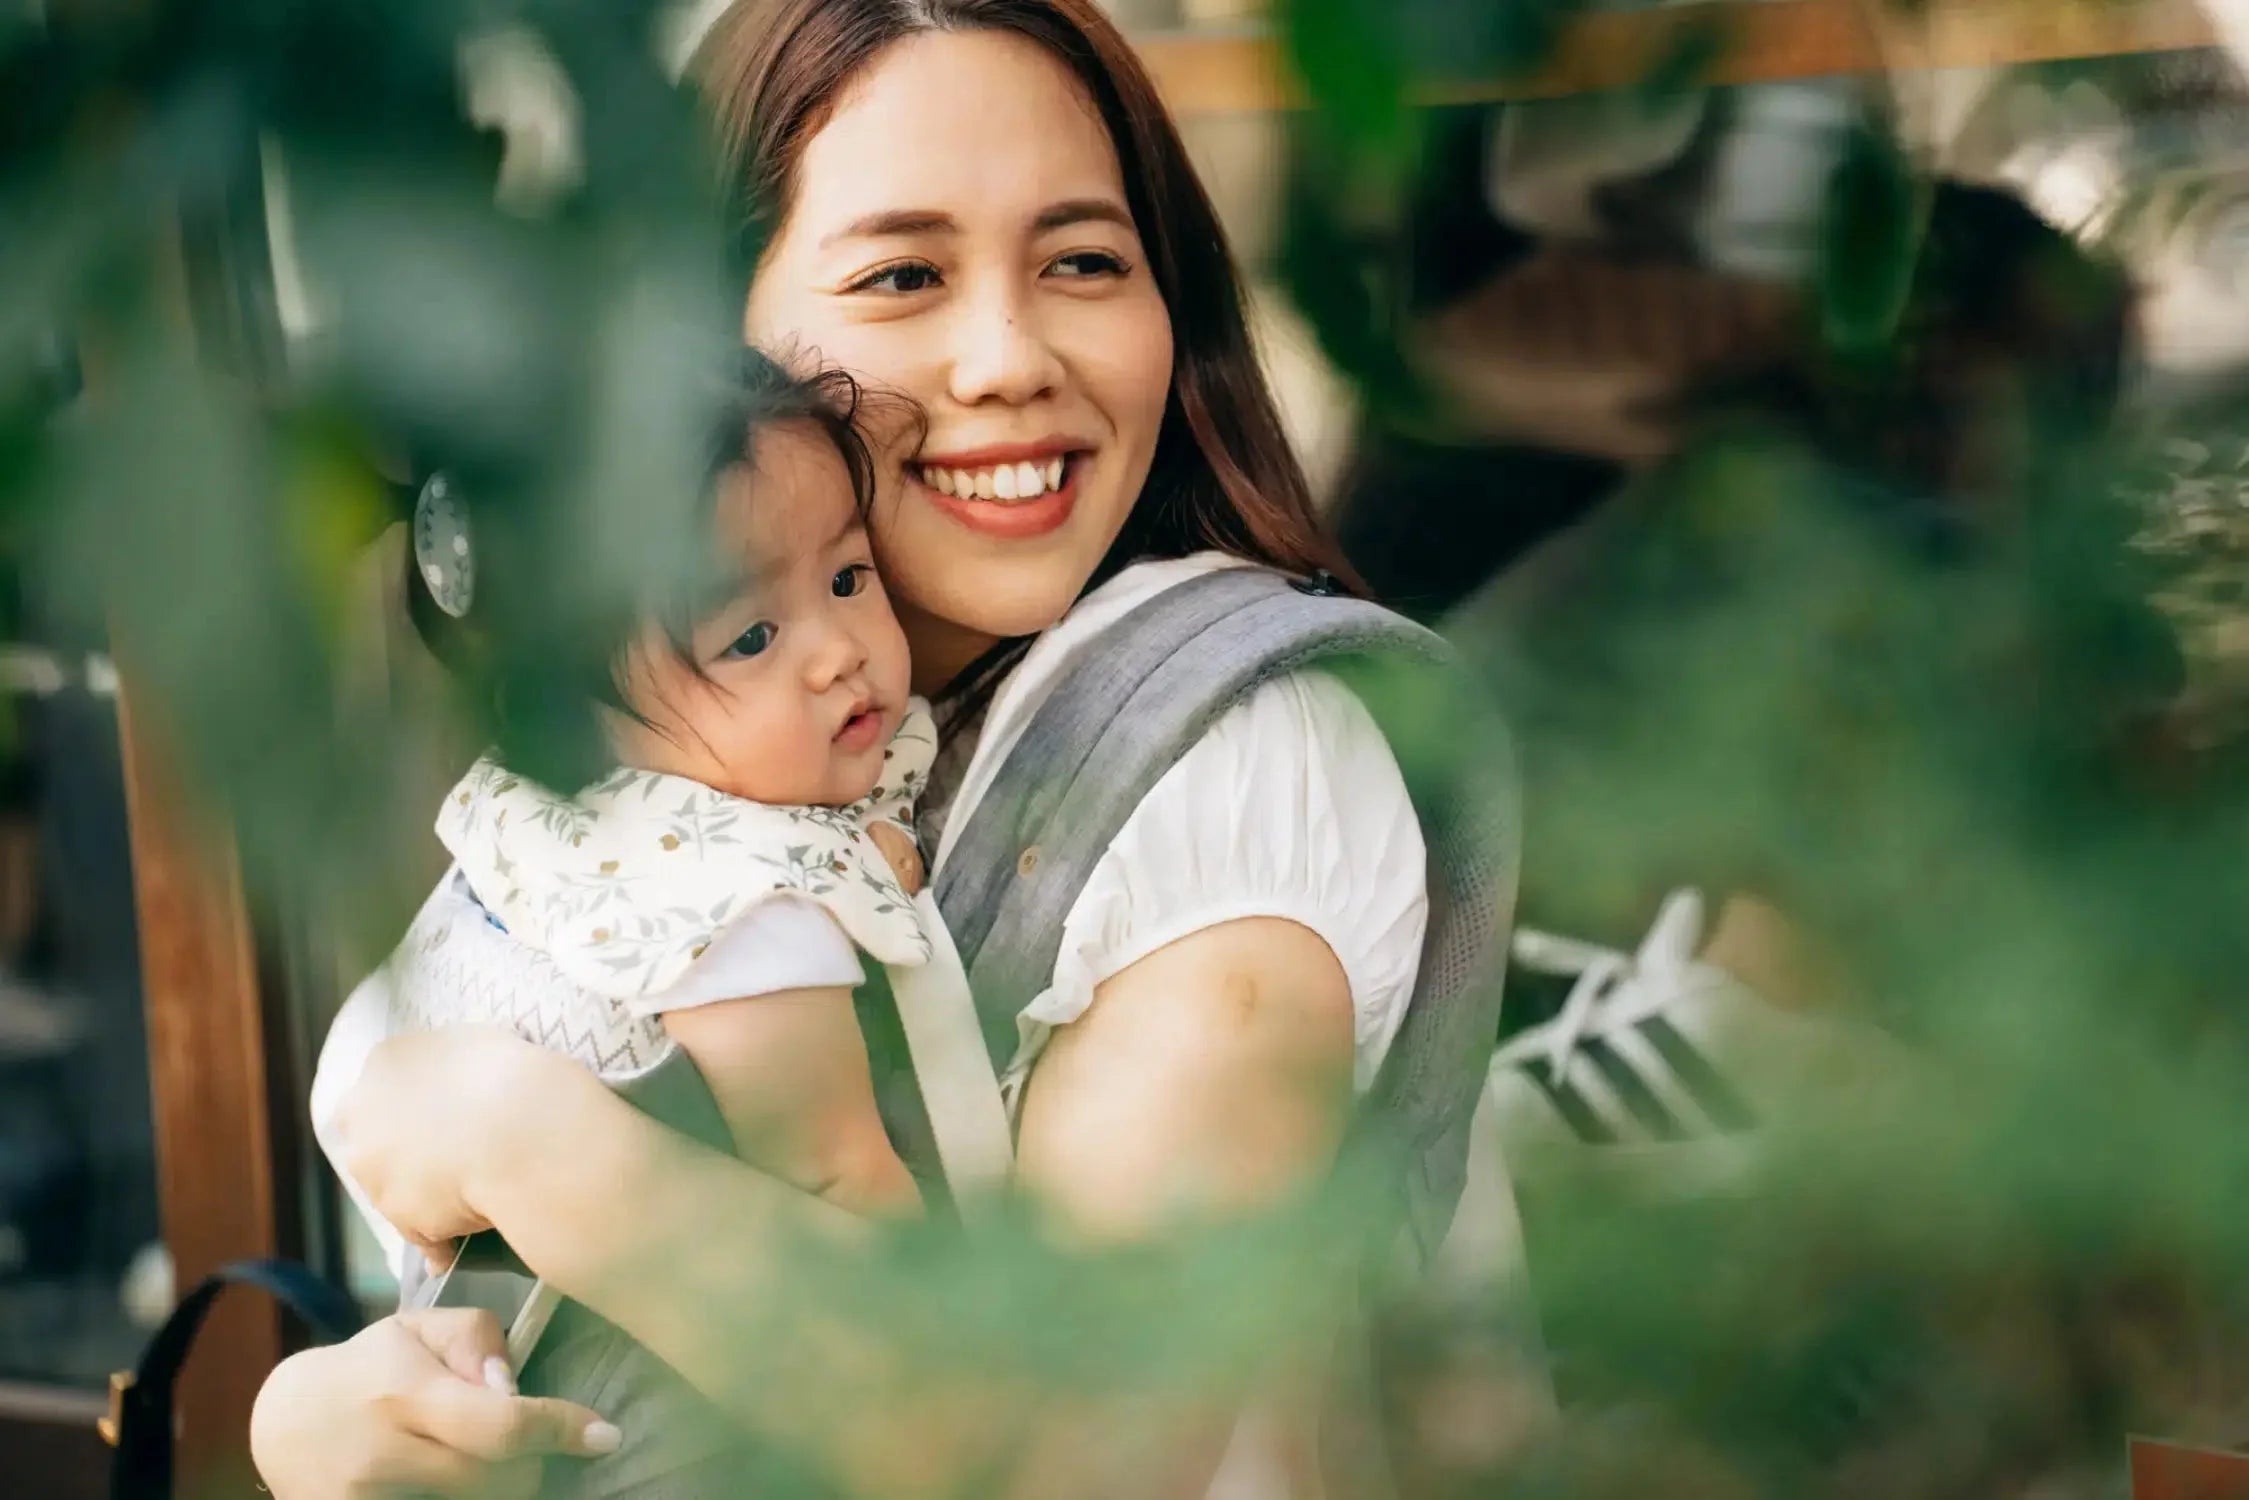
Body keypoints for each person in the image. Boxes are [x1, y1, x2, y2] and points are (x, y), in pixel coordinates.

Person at [251, 2, 1472, 1496]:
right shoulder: (706, 765)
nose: (1008, 358)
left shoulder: (1235, 754)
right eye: (903, 274)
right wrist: (319, 1423)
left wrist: (522, 1140)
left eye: (1084, 261)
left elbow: (1076, 1461)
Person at [321, 356, 941, 1300]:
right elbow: (834, 1178)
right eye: (751, 637)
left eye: (848, 577)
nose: (839, 651)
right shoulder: (733, 917)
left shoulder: (626, 797)